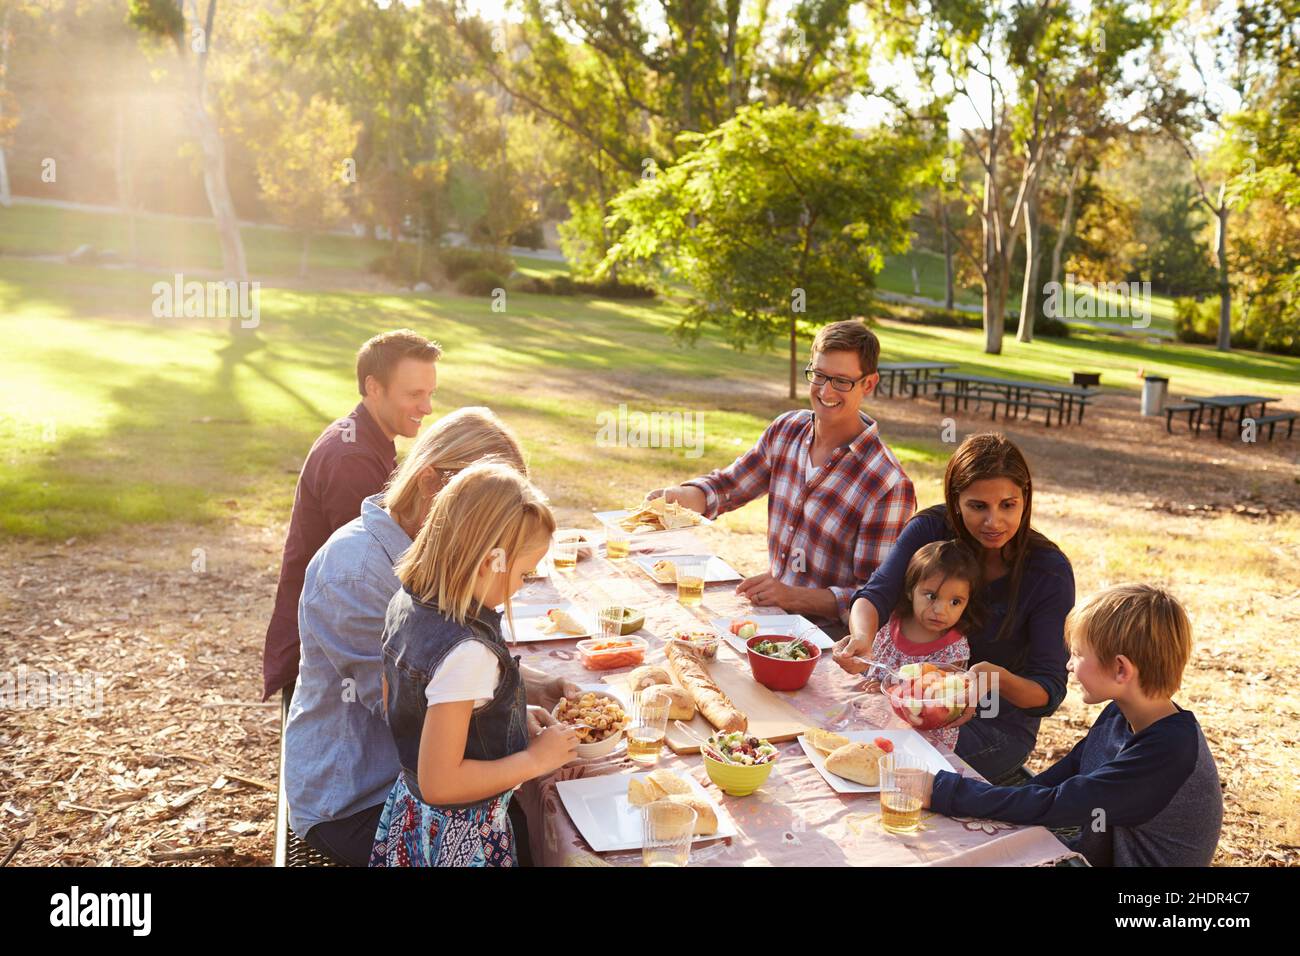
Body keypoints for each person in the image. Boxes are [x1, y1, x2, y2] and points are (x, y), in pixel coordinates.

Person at [285, 407, 578, 867]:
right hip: (356, 798)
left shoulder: (423, 584)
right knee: (538, 826)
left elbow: (430, 680)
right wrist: (515, 723)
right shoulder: (356, 572)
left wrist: (526, 687)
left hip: (415, 787)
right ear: (433, 487)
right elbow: (406, 707)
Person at [920, 585, 1223, 867]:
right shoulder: (1122, 714)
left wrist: (947, 791)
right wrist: (978, 803)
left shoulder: (1168, 755)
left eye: (1077, 654)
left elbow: (1059, 803)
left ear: (1121, 669)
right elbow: (1062, 777)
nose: (1069, 665)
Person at [370, 461, 578, 866]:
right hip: (461, 837)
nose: (523, 584)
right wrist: (535, 760)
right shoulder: (468, 652)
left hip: (414, 818)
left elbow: (401, 705)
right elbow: (441, 782)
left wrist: (509, 718)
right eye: (523, 573)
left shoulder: (407, 602)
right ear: (489, 562)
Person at [834, 433, 1073, 784]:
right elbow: (876, 594)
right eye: (978, 506)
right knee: (842, 735)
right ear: (955, 500)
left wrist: (994, 679)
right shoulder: (930, 530)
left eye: (1009, 505)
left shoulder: (1048, 572)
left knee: (886, 765)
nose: (994, 522)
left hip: (994, 729)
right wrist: (862, 637)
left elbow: (1049, 690)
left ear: (1026, 499)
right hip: (908, 703)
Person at [647, 320, 915, 632]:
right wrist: (679, 498)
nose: (826, 391)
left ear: (868, 384)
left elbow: (872, 597)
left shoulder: (888, 484)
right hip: (770, 616)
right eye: (819, 375)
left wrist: (792, 597)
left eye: (842, 381)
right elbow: (728, 486)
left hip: (828, 639)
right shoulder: (787, 430)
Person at [262, 329, 441, 702]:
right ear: (374, 388)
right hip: (325, 652)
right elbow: (369, 571)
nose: (427, 407)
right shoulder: (351, 458)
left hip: (343, 636)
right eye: (414, 394)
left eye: (429, 394)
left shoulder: (370, 437)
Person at [864, 540, 980, 752]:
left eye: (955, 602)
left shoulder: (954, 649)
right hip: (881, 720)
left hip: (925, 737)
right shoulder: (892, 623)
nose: (940, 610)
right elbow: (877, 666)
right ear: (910, 591)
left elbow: (938, 699)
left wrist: (892, 693)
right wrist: (874, 679)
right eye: (931, 596)